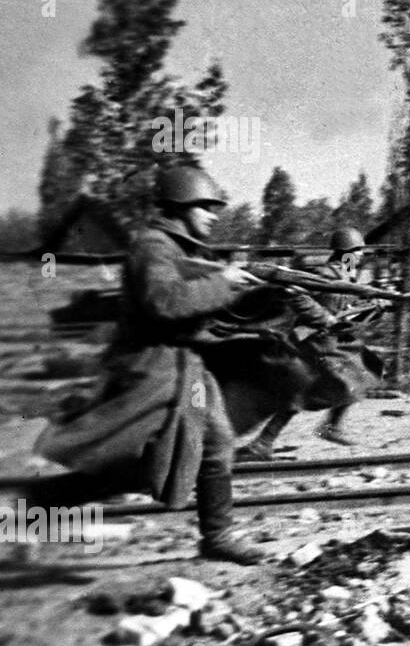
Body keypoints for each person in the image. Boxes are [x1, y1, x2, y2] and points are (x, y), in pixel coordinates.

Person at [29, 166, 264, 564]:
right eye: (206, 207)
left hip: (183, 368)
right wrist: (223, 282)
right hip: (150, 371)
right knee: (133, 465)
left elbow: (189, 308)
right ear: (182, 204)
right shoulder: (152, 246)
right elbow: (165, 302)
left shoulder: (177, 249)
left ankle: (217, 535)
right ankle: (34, 505)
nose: (214, 215)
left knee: (217, 443)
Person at [236, 226, 368, 460]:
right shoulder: (323, 274)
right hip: (314, 341)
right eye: (357, 251)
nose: (361, 255)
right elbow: (297, 296)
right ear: (346, 252)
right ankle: (265, 443)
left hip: (335, 341)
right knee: (309, 388)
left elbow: (349, 300)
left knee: (355, 375)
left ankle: (324, 428)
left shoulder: (348, 274)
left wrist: (364, 310)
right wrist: (323, 316)